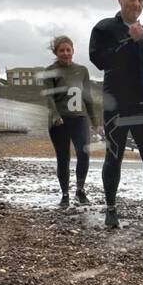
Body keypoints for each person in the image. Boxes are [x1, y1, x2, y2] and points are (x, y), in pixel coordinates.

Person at [89, 0, 143, 229]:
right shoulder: (103, 28)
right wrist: (128, 39)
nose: (136, 4)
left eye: (141, 0)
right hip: (116, 106)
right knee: (114, 157)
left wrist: (137, 40)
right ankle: (111, 209)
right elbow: (100, 60)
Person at [40, 35, 100, 208]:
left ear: (73, 51)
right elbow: (49, 98)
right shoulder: (50, 71)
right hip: (59, 122)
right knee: (63, 158)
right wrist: (55, 116)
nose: (65, 54)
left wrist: (94, 120)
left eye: (68, 50)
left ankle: (80, 190)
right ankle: (65, 194)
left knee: (84, 153)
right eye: (61, 51)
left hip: (79, 119)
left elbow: (87, 97)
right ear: (56, 52)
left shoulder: (82, 70)